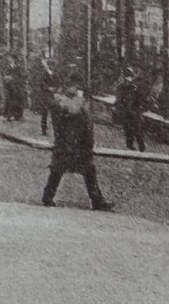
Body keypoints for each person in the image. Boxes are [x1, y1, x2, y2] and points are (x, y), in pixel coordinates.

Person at [42, 75, 113, 210]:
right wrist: (80, 103)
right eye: (75, 86)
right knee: (59, 171)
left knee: (86, 171)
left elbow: (85, 122)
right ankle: (47, 197)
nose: (77, 89)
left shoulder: (73, 102)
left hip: (78, 144)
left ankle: (97, 200)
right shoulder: (62, 102)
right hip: (69, 144)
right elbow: (71, 112)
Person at [116, 68, 147, 152]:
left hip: (135, 110)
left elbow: (141, 99)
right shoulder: (121, 87)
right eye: (127, 76)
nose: (128, 79)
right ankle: (130, 145)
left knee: (138, 129)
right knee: (128, 129)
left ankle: (141, 146)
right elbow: (119, 99)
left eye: (129, 76)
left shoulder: (135, 87)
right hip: (127, 110)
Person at [31, 56, 56, 135]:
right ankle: (44, 129)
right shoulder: (44, 74)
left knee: (54, 114)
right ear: (48, 65)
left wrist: (57, 88)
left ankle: (55, 130)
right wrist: (48, 88)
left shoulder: (55, 74)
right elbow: (41, 83)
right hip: (45, 96)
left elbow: (59, 82)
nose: (52, 67)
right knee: (44, 113)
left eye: (53, 65)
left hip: (54, 96)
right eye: (50, 65)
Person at [3, 55, 25, 122]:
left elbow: (21, 76)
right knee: (9, 101)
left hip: (17, 86)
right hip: (9, 86)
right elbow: (5, 75)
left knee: (17, 101)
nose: (9, 59)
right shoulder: (7, 67)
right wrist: (6, 78)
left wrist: (13, 78)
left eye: (11, 58)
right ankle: (9, 115)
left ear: (14, 59)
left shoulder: (18, 67)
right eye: (9, 58)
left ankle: (17, 115)